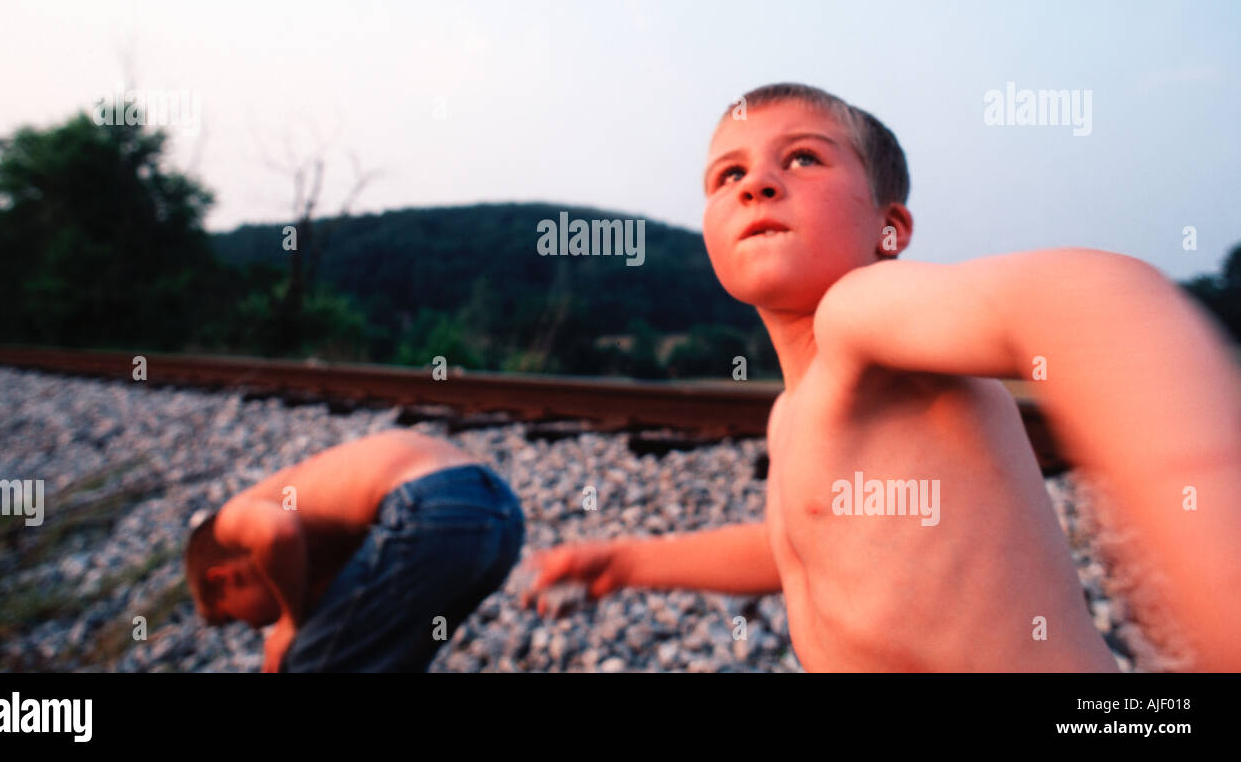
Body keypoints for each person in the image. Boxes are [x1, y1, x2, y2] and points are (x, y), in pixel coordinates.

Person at [522, 82, 1241, 671]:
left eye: (802, 159)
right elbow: (798, 548)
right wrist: (632, 559)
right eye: (729, 174)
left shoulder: (859, 316)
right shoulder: (794, 411)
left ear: (889, 229)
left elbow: (1089, 302)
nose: (758, 183)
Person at [185, 429, 524, 672]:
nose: (254, 625)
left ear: (223, 579)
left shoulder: (229, 521)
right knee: (386, 658)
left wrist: (289, 621)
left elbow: (277, 534)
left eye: (231, 617)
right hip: (501, 515)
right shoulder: (317, 540)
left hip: (434, 507)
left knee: (307, 662)